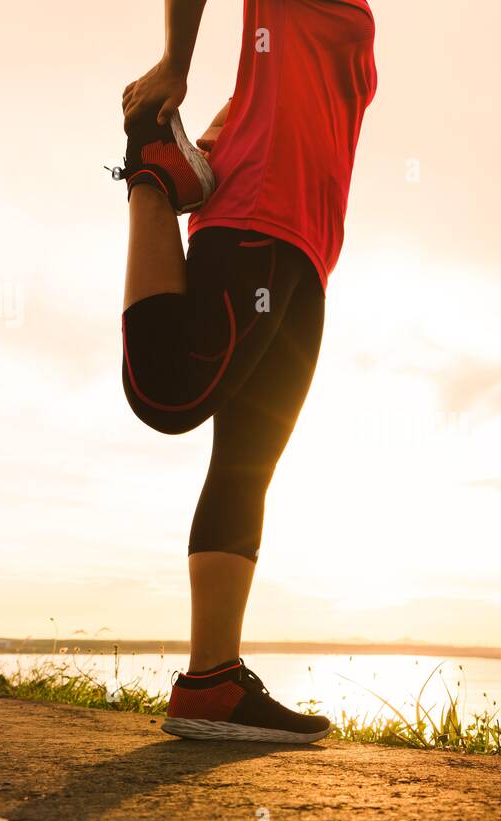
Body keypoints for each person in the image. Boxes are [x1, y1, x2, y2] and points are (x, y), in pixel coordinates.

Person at [114, 0, 377, 742]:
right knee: (169, 391)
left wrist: (228, 115)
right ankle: (147, 172)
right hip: (256, 214)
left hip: (310, 247)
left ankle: (212, 682)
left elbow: (275, 80)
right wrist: (176, 66)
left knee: (245, 466)